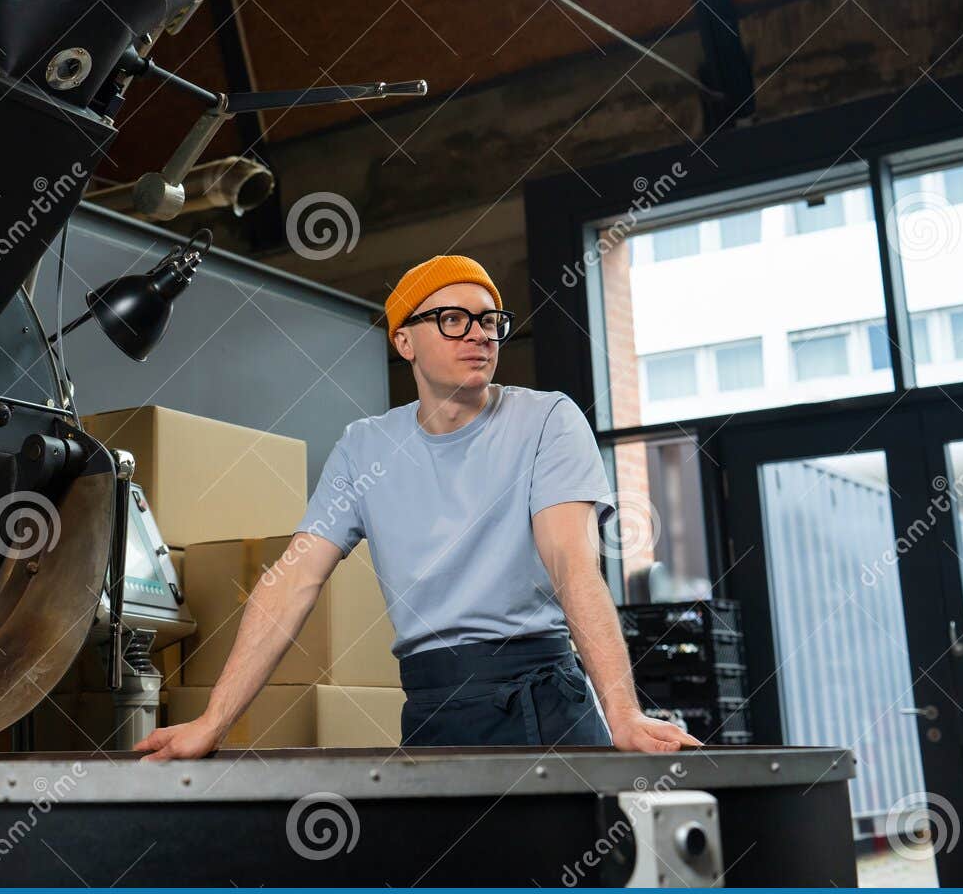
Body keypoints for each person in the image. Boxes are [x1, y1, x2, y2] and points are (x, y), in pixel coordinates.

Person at [135, 253, 702, 759]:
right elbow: (291, 583)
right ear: (404, 340)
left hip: (543, 701)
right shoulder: (365, 447)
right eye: (452, 319)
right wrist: (213, 722)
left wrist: (623, 713)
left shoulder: (548, 420)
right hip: (433, 707)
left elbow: (573, 568)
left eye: (489, 321)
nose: (478, 335)